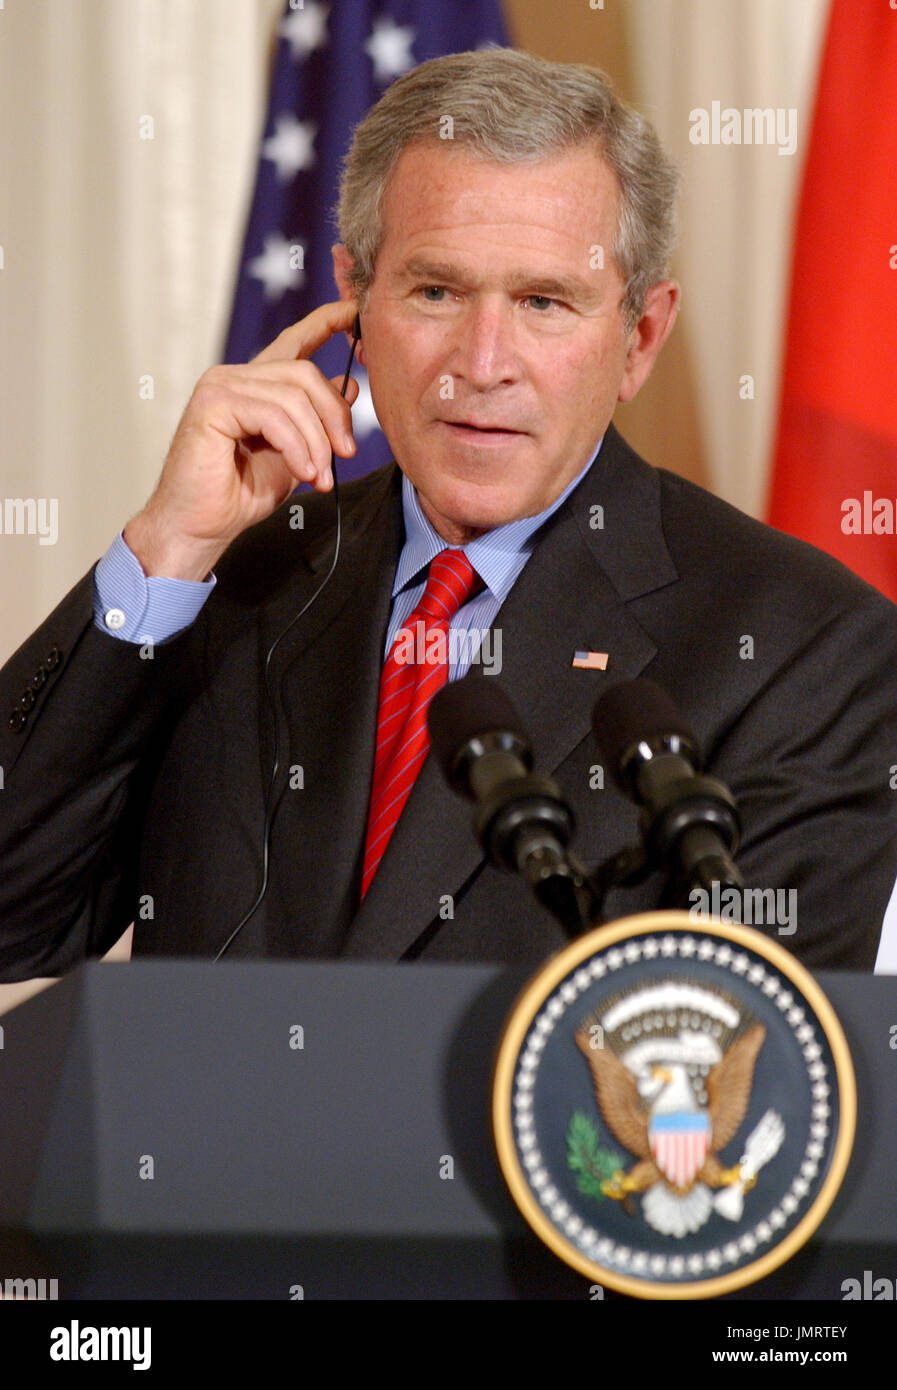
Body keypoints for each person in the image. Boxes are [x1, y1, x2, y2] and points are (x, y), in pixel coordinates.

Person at [1, 47, 896, 980]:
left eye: (544, 302)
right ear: (355, 303)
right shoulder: (225, 586)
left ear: (637, 339)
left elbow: (752, 1064)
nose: (481, 361)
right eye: (436, 291)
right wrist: (168, 548)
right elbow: (13, 917)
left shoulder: (805, 646)